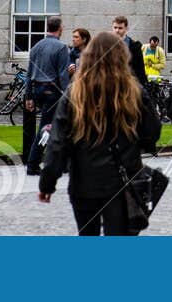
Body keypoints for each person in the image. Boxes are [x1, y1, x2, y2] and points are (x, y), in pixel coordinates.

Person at [37, 30, 161, 236]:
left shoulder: (75, 92)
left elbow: (58, 143)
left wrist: (47, 183)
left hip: (84, 183)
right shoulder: (133, 90)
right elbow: (152, 131)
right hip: (121, 180)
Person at [24, 15, 71, 173]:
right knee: (45, 127)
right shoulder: (61, 47)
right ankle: (32, 164)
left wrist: (28, 96)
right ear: (60, 29)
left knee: (58, 126)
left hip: (37, 89)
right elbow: (63, 75)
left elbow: (29, 73)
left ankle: (62, 162)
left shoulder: (36, 46)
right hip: (52, 91)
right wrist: (68, 96)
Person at [111, 16, 147, 87]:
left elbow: (140, 68)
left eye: (120, 28)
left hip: (129, 83)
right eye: (115, 27)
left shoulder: (135, 46)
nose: (117, 30)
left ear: (126, 29)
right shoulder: (107, 44)